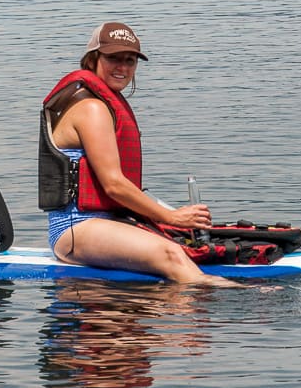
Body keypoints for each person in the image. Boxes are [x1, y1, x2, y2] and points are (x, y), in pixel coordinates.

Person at [39, 22, 253, 287]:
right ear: (93, 59)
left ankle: (172, 308)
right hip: (76, 229)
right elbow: (114, 185)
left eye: (130, 60)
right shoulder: (91, 108)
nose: (123, 68)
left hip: (111, 222)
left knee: (190, 247)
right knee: (172, 255)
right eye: (113, 58)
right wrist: (172, 217)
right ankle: (238, 301)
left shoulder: (104, 102)